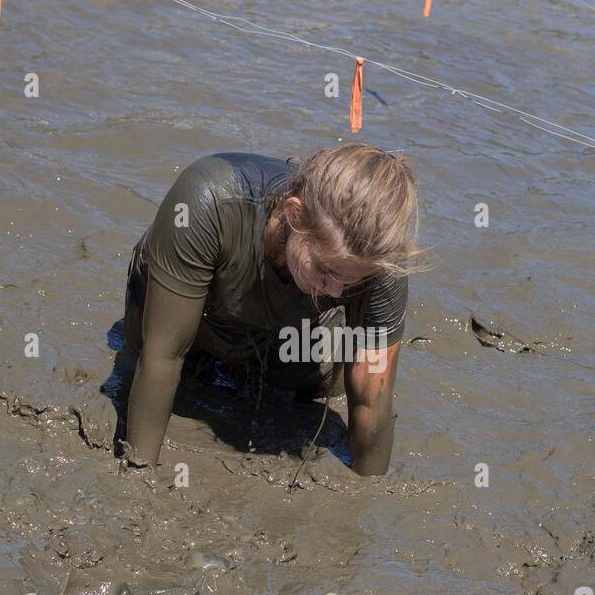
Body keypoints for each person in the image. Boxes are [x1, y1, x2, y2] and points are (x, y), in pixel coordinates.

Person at [116, 145, 420, 476]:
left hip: (288, 331)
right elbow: (163, 357)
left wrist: (367, 500)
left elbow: (371, 397)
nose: (335, 291)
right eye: (327, 271)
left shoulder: (381, 265)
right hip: (198, 313)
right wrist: (138, 475)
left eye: (350, 282)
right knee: (156, 372)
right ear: (293, 214)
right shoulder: (207, 201)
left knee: (309, 394)